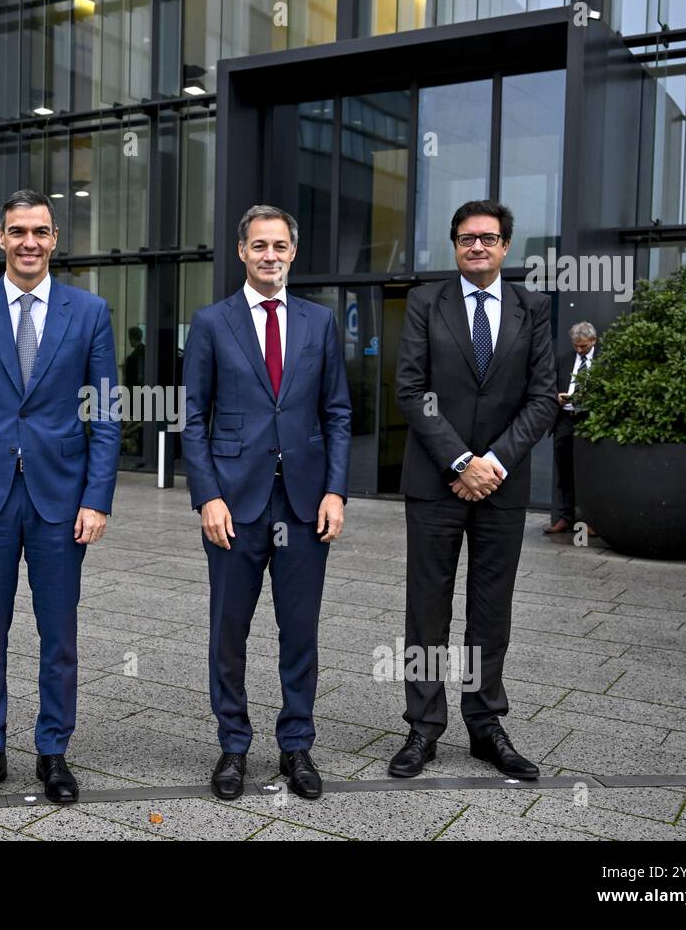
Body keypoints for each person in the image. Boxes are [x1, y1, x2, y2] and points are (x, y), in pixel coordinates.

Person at [0, 189, 119, 806]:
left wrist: (97, 498)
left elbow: (107, 415)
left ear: (55, 238)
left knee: (58, 633)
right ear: (1, 238)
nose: (29, 242)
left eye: (40, 231)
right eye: (18, 232)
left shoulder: (89, 313)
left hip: (61, 500)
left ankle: (53, 752)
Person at [181, 204, 351, 801]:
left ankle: (296, 744)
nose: (270, 255)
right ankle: (233, 746)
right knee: (230, 631)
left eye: (279, 245)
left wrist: (335, 489)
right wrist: (207, 497)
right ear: (242, 252)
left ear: (293, 252)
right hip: (234, 504)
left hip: (305, 503)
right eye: (259, 245)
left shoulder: (319, 322)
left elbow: (336, 412)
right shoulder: (210, 322)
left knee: (299, 630)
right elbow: (193, 417)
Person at [390, 200, 556, 779]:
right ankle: (423, 728)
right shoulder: (424, 302)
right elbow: (410, 391)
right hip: (435, 483)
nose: (477, 247)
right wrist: (461, 460)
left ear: (506, 245)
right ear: (454, 245)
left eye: (488, 238)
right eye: (466, 238)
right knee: (427, 611)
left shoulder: (532, 309)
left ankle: (485, 724)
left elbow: (543, 400)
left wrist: (492, 463)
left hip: (501, 488)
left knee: (490, 612)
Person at [544, 322, 598, 534]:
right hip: (565, 418)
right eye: (576, 345)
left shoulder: (603, 361)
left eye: (583, 346)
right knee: (564, 470)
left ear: (593, 341)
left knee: (588, 471)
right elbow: (550, 385)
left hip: (590, 420)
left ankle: (591, 521)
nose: (579, 349)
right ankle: (564, 517)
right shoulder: (563, 359)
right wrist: (555, 397)